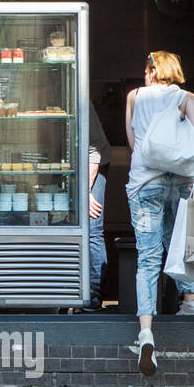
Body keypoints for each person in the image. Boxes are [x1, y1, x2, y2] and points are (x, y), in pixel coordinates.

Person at [125, 51, 194, 377]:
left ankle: (146, 331)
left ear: (152, 70)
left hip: (147, 183)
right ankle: (189, 300)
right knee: (181, 240)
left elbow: (134, 143)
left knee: (148, 256)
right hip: (182, 180)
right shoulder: (187, 97)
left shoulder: (135, 96)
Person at [83, 106, 112, 313]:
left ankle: (94, 294)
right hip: (75, 165)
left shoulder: (78, 95)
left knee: (93, 226)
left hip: (94, 165)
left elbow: (95, 151)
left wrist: (86, 191)